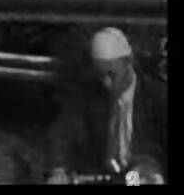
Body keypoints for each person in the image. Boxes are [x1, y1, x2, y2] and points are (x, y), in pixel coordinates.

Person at [46, 27, 167, 183]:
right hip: (100, 176)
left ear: (129, 61)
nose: (106, 83)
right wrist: (58, 169)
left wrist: (153, 170)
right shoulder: (88, 93)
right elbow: (63, 130)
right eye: (101, 75)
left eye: (112, 74)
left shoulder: (156, 94)